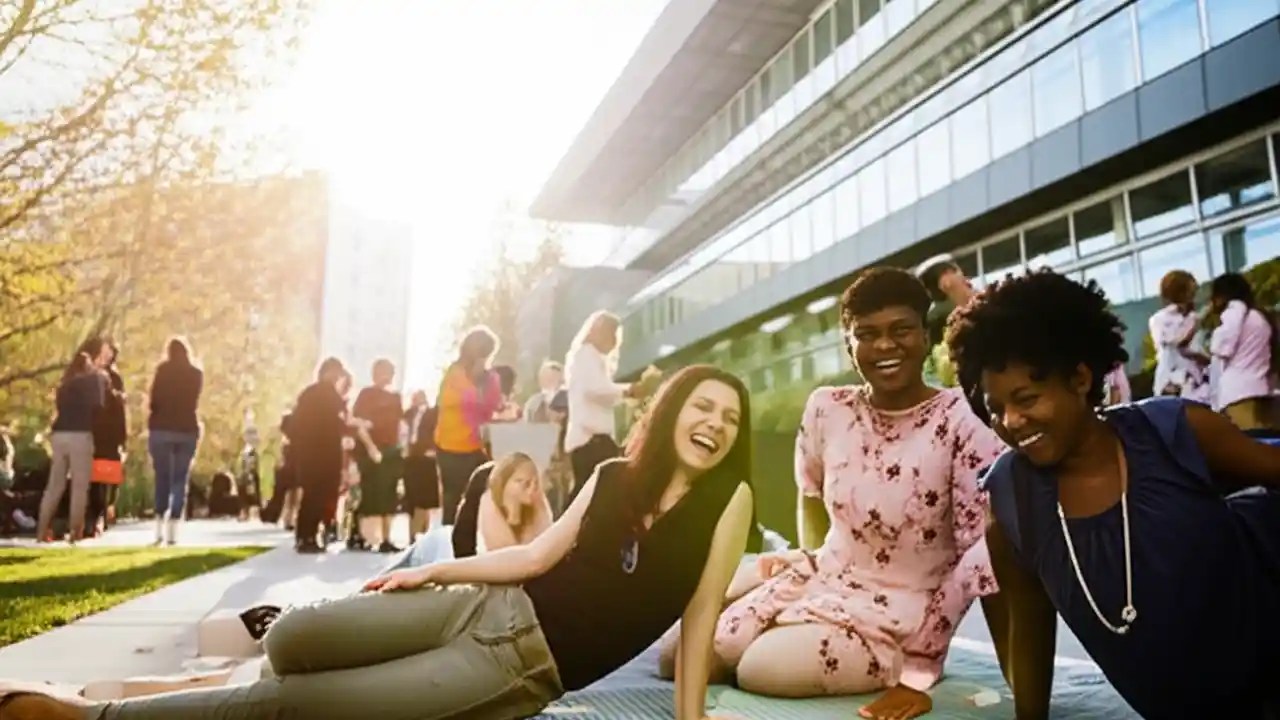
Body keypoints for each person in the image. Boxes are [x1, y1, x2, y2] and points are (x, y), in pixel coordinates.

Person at [1, 364, 755, 720]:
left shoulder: (729, 503)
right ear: (673, 410)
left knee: (298, 704)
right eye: (704, 406)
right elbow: (533, 558)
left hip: (523, 665)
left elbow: (700, 620)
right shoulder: (616, 474)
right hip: (479, 606)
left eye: (730, 417)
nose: (716, 424)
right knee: (292, 639)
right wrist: (431, 577)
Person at [945, 269, 1280, 719]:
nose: (1011, 421)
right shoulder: (1010, 502)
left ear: (1080, 378)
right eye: (995, 409)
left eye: (1026, 398)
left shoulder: (1173, 432)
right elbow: (1030, 630)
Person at [706, 268, 1003, 720]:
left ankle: (867, 654)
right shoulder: (828, 406)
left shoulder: (963, 419)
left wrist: (922, 669)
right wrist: (809, 566)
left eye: (901, 330)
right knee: (688, 654)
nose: (885, 346)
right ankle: (783, 624)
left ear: (926, 337)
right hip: (828, 576)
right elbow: (809, 493)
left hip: (904, 614)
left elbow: (977, 556)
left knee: (759, 668)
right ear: (849, 345)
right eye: (867, 334)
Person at [36, 342, 109, 543]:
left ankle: (42, 530)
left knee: (54, 485)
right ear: (87, 366)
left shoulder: (64, 386)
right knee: (79, 485)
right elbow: (99, 405)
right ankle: (75, 532)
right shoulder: (92, 381)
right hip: (80, 434)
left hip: (59, 435)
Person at [435, 326, 503, 524]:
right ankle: (447, 539)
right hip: (450, 444)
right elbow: (450, 400)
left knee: (477, 495)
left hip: (477, 445)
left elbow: (493, 405)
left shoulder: (491, 377)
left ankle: (469, 539)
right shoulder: (454, 373)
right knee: (452, 496)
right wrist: (478, 395)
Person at [289, 358, 350, 554]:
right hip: (323, 453)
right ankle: (308, 536)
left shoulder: (310, 394)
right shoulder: (328, 395)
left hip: (311, 452)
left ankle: (305, 535)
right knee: (318, 495)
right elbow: (338, 422)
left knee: (312, 495)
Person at [146, 337, 203, 546]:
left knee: (162, 476)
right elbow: (194, 400)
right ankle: (173, 527)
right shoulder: (196, 374)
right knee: (180, 478)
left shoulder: (162, 371)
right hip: (187, 428)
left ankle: (160, 523)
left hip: (161, 427)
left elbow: (154, 400)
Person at [1208, 272, 1277, 430]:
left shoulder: (1234, 312)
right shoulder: (1260, 317)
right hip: (1261, 389)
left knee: (1249, 446)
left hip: (1238, 393)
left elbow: (1222, 348)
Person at [351, 359, 405, 552]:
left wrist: (402, 447)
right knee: (371, 493)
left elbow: (400, 424)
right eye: (383, 371)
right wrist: (371, 447)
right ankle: (362, 536)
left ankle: (386, 539)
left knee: (389, 495)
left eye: (390, 372)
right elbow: (359, 424)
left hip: (392, 450)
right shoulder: (367, 394)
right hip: (372, 451)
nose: (387, 375)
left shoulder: (396, 397)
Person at [1147, 269, 1210, 402]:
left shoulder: (1194, 317)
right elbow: (1178, 342)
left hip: (1199, 383)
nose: (1195, 294)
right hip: (1173, 382)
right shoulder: (1160, 319)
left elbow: (1198, 349)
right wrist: (1196, 321)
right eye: (1191, 290)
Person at [89, 340, 127, 535]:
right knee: (97, 477)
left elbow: (120, 408)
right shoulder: (90, 375)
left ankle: (105, 511)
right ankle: (98, 516)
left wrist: (123, 437)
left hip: (109, 433)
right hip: (96, 432)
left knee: (109, 476)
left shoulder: (115, 378)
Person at [401, 390, 439, 542]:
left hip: (427, 458)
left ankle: (420, 534)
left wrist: (434, 449)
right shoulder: (407, 414)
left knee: (424, 499)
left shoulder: (434, 413)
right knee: (411, 497)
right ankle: (413, 535)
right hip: (410, 457)